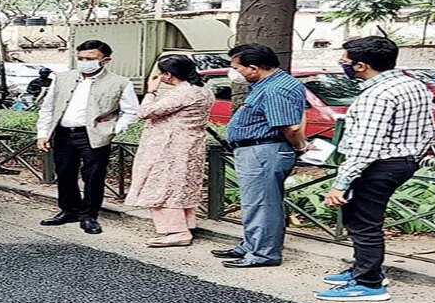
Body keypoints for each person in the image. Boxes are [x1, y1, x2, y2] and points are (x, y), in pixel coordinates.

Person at [315, 36, 435, 302]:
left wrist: (341, 183)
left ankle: (368, 283)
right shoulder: (412, 84)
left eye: (344, 61)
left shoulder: (377, 96)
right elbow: (430, 130)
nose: (341, 65)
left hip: (376, 165)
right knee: (365, 219)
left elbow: (365, 146)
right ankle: (364, 269)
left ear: (361, 65)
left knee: (362, 222)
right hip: (401, 161)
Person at [212, 43, 308, 268]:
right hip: (257, 149)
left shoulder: (276, 89)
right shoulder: (269, 84)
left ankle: (263, 253)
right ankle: (251, 245)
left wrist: (300, 146)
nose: (235, 73)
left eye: (237, 68)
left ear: (254, 68)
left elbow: (290, 127)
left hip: (263, 149)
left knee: (262, 203)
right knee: (255, 202)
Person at [36, 40, 140, 234]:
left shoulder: (120, 83)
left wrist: (114, 129)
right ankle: (69, 210)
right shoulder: (62, 78)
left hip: (94, 134)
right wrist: (43, 133)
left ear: (105, 60)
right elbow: (48, 108)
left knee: (93, 176)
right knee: (65, 172)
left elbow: (131, 111)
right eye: (81, 58)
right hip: (64, 132)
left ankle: (89, 215)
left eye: (90, 58)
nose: (84, 62)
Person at [124, 54, 214, 247]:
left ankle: (176, 231)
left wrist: (151, 91)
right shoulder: (203, 90)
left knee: (163, 187)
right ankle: (186, 224)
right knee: (184, 186)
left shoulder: (182, 93)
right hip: (190, 145)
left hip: (169, 147)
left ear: (167, 75)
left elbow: (145, 112)